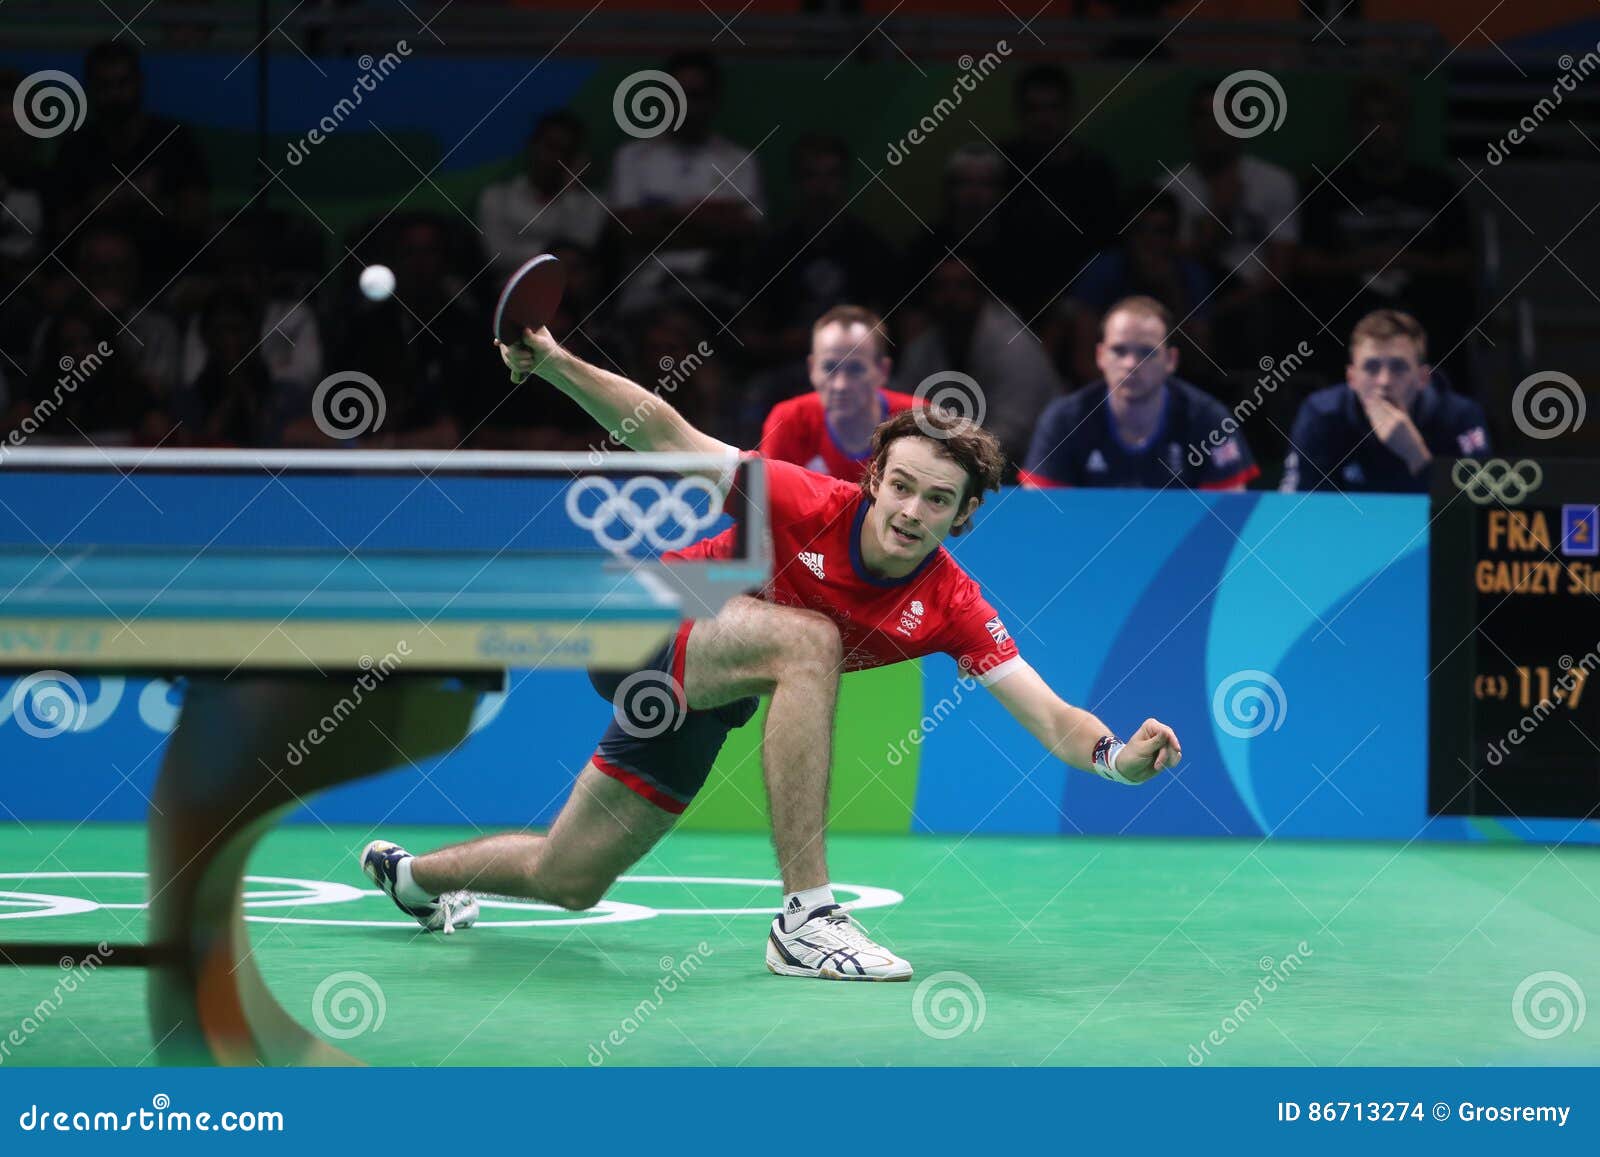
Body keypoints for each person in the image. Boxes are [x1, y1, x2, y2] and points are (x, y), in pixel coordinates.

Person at [358, 323, 1183, 981]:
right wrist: (553, 363)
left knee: (568, 877)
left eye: (938, 500)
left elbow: (1051, 715)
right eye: (900, 485)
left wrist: (1117, 759)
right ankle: (806, 918)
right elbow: (665, 432)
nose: (910, 509)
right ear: (873, 480)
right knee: (808, 639)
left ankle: (418, 881)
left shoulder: (951, 603)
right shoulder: (799, 496)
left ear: (961, 518)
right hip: (652, 618)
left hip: (711, 685)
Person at [1022, 296, 1257, 491]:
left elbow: (1228, 521)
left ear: (1170, 360)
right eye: (1118, 350)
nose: (1131, 363)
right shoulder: (1063, 420)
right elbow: (1040, 519)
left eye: (1147, 352)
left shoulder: (1210, 419)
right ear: (1100, 356)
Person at [1281, 309, 1489, 494]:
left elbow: (1478, 511)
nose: (1384, 381)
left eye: (1399, 367)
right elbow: (1298, 511)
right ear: (1352, 378)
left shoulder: (1462, 417)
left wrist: (1416, 456)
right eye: (1371, 368)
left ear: (1423, 378)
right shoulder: (1321, 415)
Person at [893, 257, 1063, 469]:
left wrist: (947, 456)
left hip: (1026, 466)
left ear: (980, 293)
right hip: (959, 462)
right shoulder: (924, 346)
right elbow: (900, 412)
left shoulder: (1014, 344)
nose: (951, 297)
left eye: (961, 286)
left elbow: (1012, 434)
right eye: (942, 287)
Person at [759, 305, 918, 483]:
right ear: (812, 369)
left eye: (855, 369)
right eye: (829, 367)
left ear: (883, 370)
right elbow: (767, 504)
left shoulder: (920, 420)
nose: (840, 385)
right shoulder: (788, 421)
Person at [477, 109, 607, 284]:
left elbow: (580, 252)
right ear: (533, 146)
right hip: (512, 294)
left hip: (568, 295)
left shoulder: (592, 203)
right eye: (551, 147)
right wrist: (555, 253)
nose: (558, 158)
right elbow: (497, 256)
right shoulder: (497, 197)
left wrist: (570, 192)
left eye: (567, 152)